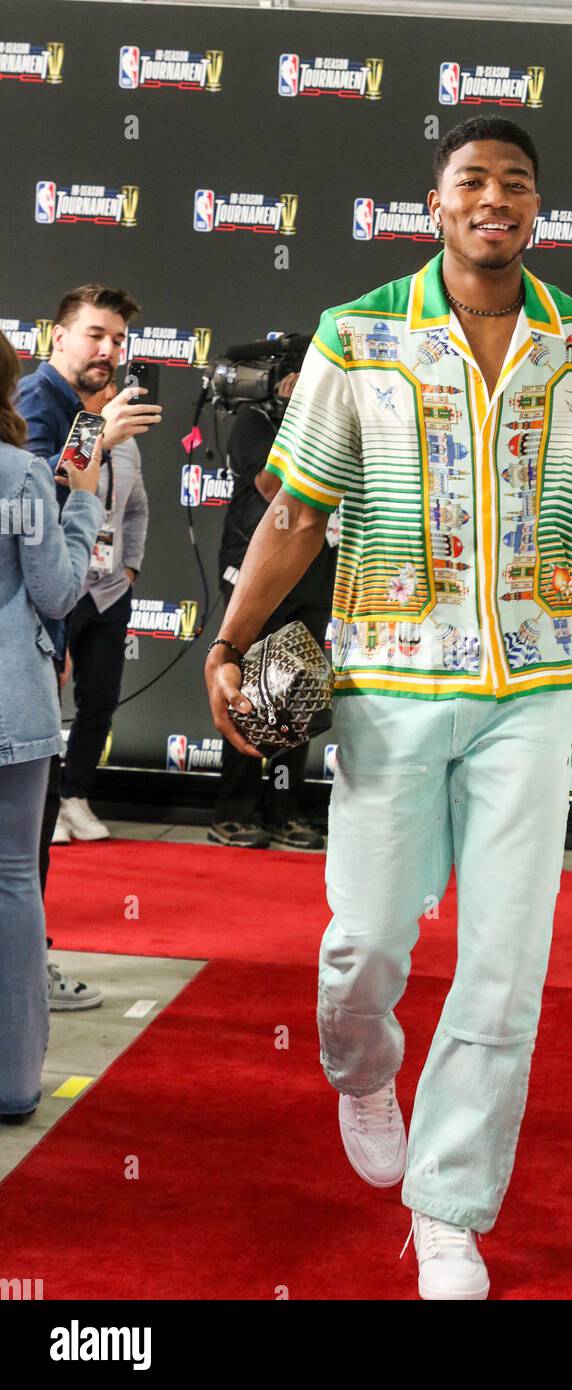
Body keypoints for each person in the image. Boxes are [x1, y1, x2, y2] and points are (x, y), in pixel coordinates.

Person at [206, 116, 572, 1299]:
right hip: (388, 686)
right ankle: (359, 1064)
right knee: (363, 943)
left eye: (514, 182)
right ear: (436, 202)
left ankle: (449, 1208)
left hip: (533, 691)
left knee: (504, 967)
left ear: (535, 210)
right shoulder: (357, 336)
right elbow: (297, 510)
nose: (493, 196)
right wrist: (230, 639)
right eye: (472, 179)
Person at [15, 283, 161, 1009]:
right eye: (94, 335)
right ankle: (23, 974)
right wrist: (98, 436)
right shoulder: (40, 406)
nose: (107, 350)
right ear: (57, 337)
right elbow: (42, 503)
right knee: (23, 842)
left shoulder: (77, 411)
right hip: (29, 633)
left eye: (117, 340)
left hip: (48, 627)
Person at [0, 329, 104, 1121]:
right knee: (11, 883)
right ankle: (11, 1081)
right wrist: (84, 501)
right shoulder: (23, 473)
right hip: (11, 709)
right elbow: (60, 592)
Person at [209, 336, 334, 850]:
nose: (304, 383)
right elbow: (269, 484)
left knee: (296, 695)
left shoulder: (328, 426)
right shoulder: (255, 421)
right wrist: (306, 421)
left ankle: (286, 810)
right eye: (298, 374)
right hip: (255, 575)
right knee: (248, 693)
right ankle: (234, 811)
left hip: (314, 573)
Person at [52, 375, 150, 844]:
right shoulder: (71, 435)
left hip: (110, 589)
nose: (114, 396)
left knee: (101, 698)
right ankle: (46, 802)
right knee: (48, 696)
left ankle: (76, 795)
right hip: (63, 583)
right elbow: (53, 496)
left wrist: (130, 565)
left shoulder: (128, 446)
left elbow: (136, 509)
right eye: (104, 391)